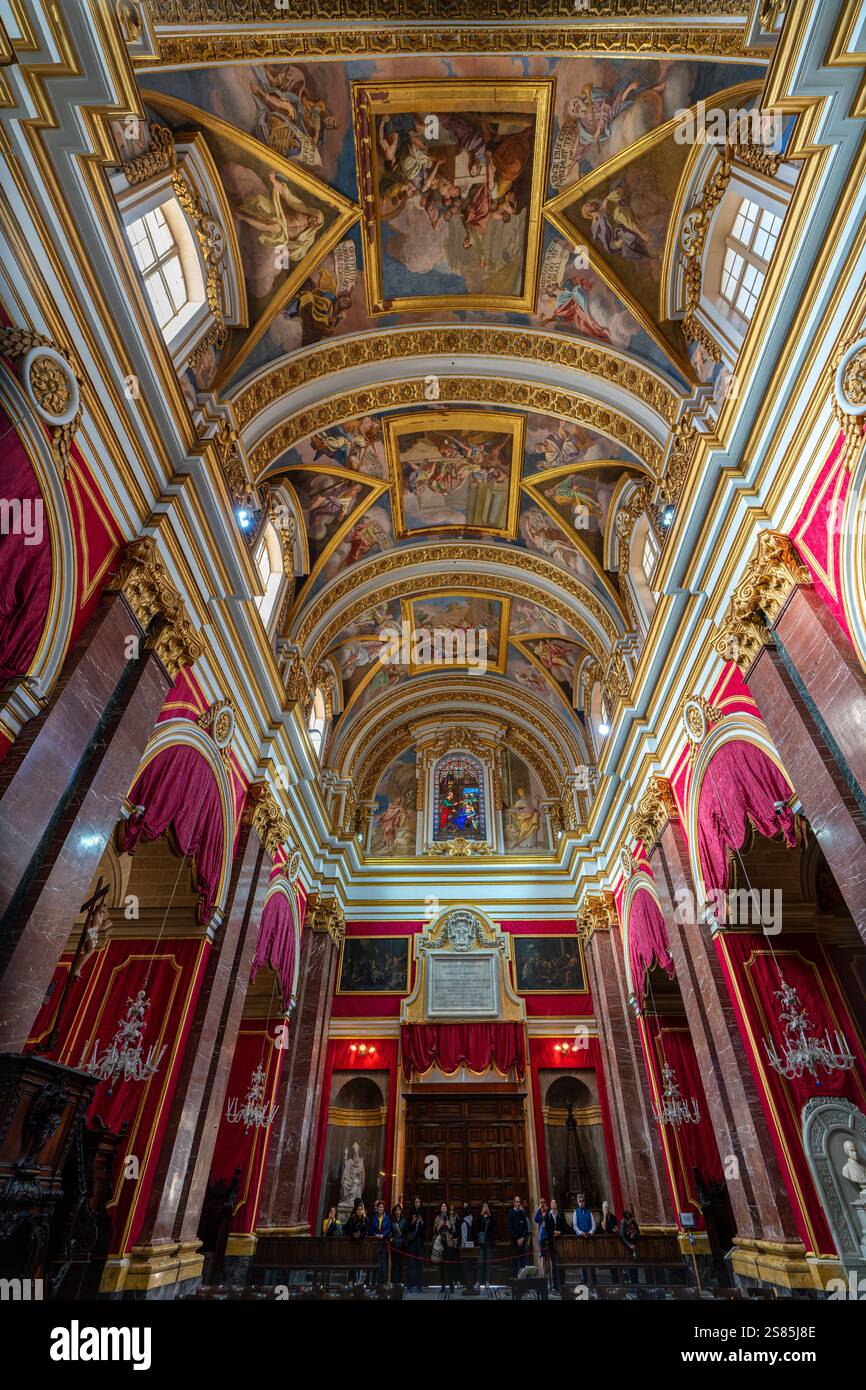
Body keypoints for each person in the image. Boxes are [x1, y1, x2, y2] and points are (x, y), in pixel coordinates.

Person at [343, 1199, 369, 1284]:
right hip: (353, 1243)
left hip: (361, 1243)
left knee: (360, 1263)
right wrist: (353, 1234)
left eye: (361, 1209)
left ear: (363, 1210)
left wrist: (360, 1235)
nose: (360, 1211)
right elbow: (349, 1229)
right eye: (358, 1209)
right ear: (356, 1210)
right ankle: (352, 1281)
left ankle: (358, 1282)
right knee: (353, 1262)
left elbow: (366, 1231)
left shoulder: (366, 1219)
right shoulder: (353, 1218)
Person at [432, 1202, 454, 1294]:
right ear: (440, 1209)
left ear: (447, 1209)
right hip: (440, 1244)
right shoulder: (437, 1218)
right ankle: (443, 1286)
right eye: (442, 1206)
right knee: (441, 1266)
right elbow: (434, 1231)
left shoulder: (450, 1218)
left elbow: (454, 1230)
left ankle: (451, 1286)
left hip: (448, 1245)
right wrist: (440, 1225)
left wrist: (449, 1226)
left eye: (445, 1206)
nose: (444, 1207)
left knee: (449, 1266)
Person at [405, 1197, 426, 1293]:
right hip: (412, 1241)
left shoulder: (423, 1212)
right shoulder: (411, 1213)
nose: (417, 1203)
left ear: (420, 1203)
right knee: (410, 1264)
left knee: (419, 1264)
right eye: (415, 1202)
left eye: (418, 1202)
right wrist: (413, 1221)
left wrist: (421, 1221)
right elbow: (407, 1227)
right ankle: (409, 1285)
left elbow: (426, 1227)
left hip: (420, 1241)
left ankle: (419, 1286)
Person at [545, 1198, 566, 1293]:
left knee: (561, 1262)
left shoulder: (560, 1215)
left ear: (556, 1205)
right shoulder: (547, 1215)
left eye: (555, 1203)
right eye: (552, 1203)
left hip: (560, 1242)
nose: (553, 1204)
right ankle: (555, 1285)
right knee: (554, 1263)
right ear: (550, 1205)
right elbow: (546, 1228)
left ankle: (562, 1283)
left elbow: (564, 1226)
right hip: (551, 1242)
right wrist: (554, 1232)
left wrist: (560, 1232)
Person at [507, 1194, 530, 1277]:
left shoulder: (522, 1213)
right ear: (513, 1203)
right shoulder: (510, 1213)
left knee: (523, 1261)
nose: (518, 1203)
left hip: (522, 1241)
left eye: (519, 1202)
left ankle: (523, 1279)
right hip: (514, 1241)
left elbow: (526, 1228)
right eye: (516, 1202)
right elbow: (510, 1228)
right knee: (515, 1262)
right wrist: (517, 1239)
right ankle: (515, 1279)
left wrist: (523, 1238)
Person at [370, 1199, 392, 1283]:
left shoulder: (387, 1218)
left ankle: (382, 1284)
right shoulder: (373, 1218)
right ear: (377, 1208)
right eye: (379, 1207)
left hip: (383, 1244)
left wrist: (383, 1234)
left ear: (383, 1208)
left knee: (383, 1266)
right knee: (374, 1264)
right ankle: (373, 1283)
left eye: (382, 1207)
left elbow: (389, 1229)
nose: (380, 1209)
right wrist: (375, 1234)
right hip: (375, 1244)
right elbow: (370, 1229)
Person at [477, 1202, 495, 1290]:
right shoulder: (480, 1218)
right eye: (484, 1206)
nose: (485, 1208)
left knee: (488, 1262)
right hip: (481, 1243)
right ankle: (478, 1281)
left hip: (489, 1243)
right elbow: (477, 1226)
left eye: (486, 1206)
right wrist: (481, 1215)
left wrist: (489, 1215)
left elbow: (494, 1225)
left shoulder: (491, 1218)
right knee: (480, 1263)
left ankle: (487, 1281)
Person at [620, 1209, 641, 1284]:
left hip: (634, 1243)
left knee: (636, 1264)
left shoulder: (633, 1220)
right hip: (627, 1245)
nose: (629, 1221)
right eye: (628, 1220)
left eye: (630, 1219)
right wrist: (629, 1245)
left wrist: (635, 1234)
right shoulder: (623, 1222)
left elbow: (638, 1231)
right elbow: (622, 1236)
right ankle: (632, 1283)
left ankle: (636, 1282)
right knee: (630, 1265)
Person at [390, 1202, 408, 1286]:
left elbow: (405, 1233)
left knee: (400, 1264)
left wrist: (402, 1240)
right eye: (396, 1210)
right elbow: (390, 1232)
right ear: (394, 1212)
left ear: (401, 1211)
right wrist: (391, 1239)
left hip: (401, 1245)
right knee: (394, 1264)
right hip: (393, 1245)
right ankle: (393, 1281)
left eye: (399, 1210)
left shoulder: (404, 1221)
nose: (397, 1212)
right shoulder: (392, 1221)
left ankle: (400, 1281)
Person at [460, 1203, 476, 1293]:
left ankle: (467, 1284)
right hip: (473, 1248)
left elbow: (464, 1238)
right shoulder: (472, 1219)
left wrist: (464, 1249)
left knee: (465, 1267)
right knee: (471, 1267)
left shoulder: (464, 1223)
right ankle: (471, 1284)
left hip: (466, 1249)